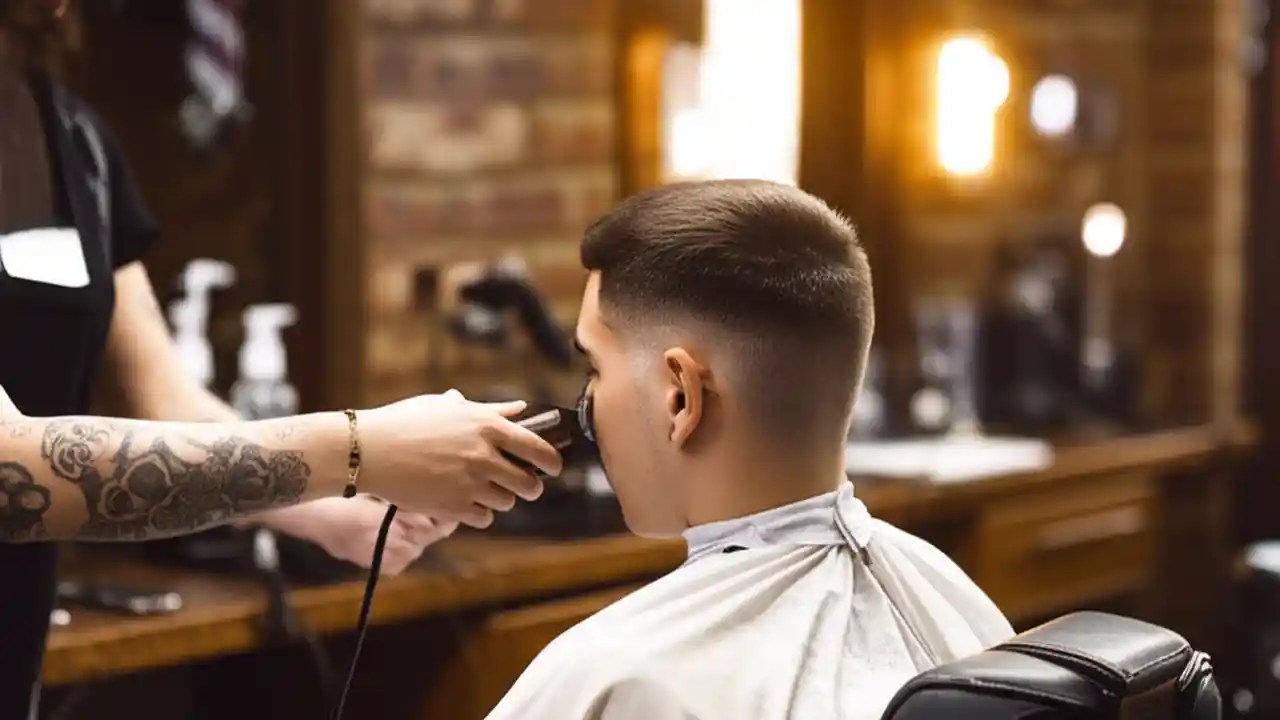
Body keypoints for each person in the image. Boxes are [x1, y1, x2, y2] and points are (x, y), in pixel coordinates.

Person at [0, 2, 562, 717]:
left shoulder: (70, 139)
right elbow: (13, 468)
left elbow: (166, 401)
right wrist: (358, 450)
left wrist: (324, 505)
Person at [485, 180, 1014, 720]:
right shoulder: (958, 602)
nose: (587, 405)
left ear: (682, 397)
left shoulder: (612, 676)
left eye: (595, 367)